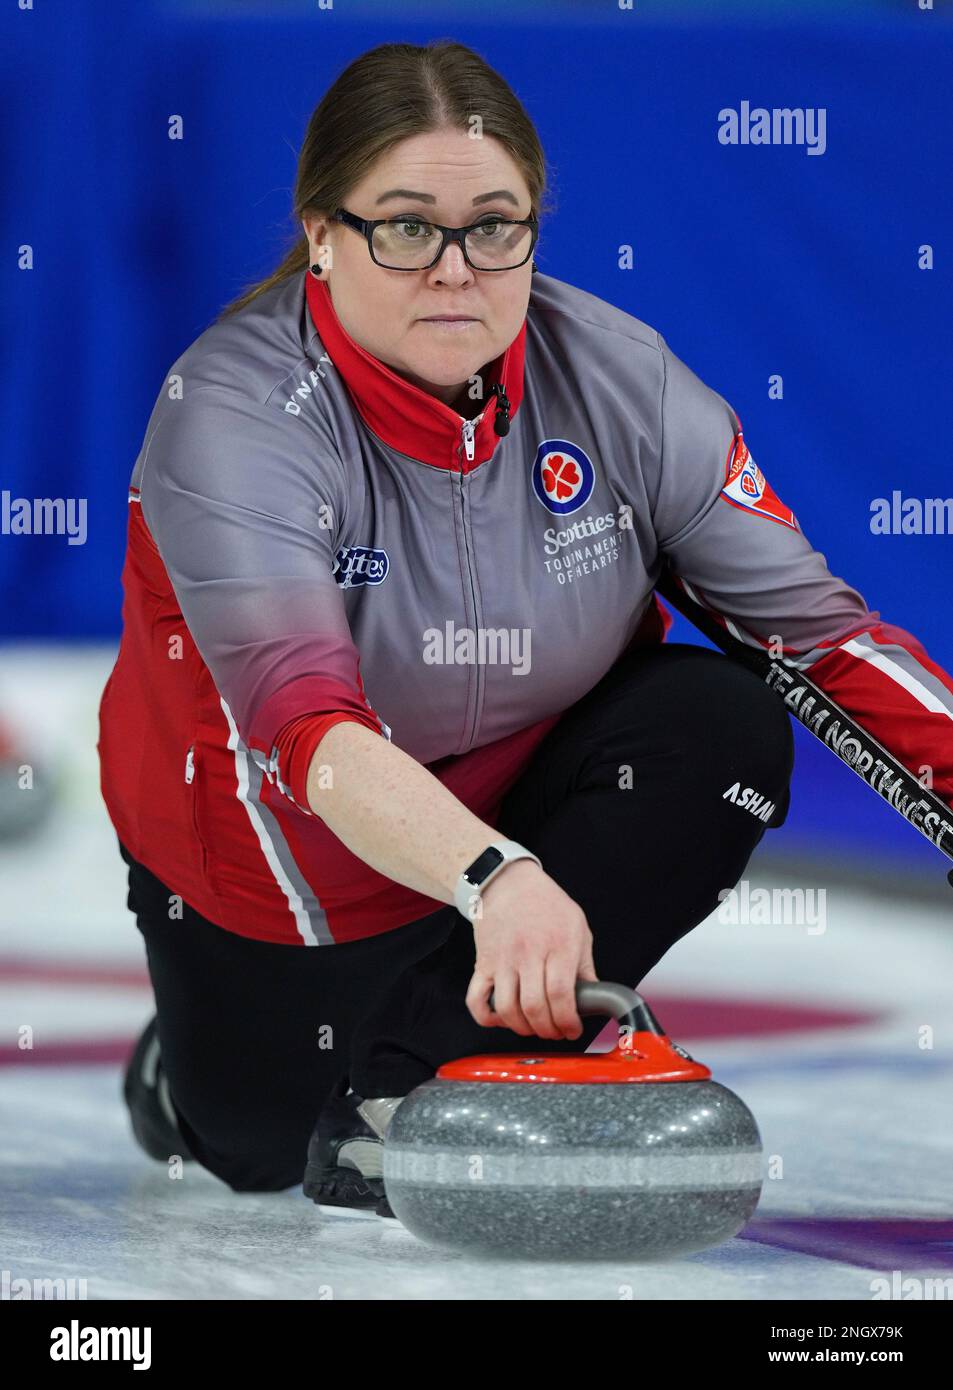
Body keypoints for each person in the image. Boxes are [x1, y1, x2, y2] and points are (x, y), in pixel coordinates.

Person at [101, 40, 953, 1210]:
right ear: (321, 234)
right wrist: (495, 877)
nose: (455, 270)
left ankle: (411, 1091)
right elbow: (307, 733)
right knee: (252, 1142)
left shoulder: (622, 384)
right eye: (406, 226)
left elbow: (815, 638)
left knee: (722, 722)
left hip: (509, 848)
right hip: (278, 880)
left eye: (492, 226)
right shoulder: (234, 415)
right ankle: (195, 1082)